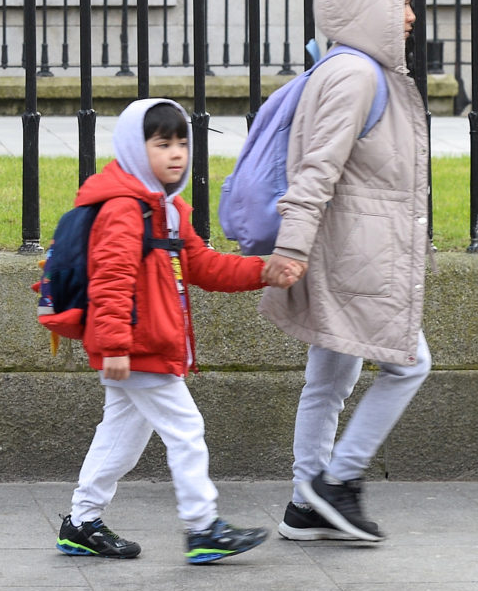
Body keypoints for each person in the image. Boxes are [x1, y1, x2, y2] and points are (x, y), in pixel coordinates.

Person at [58, 97, 299, 564]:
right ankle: (202, 527)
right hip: (138, 345)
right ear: (135, 147)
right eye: (162, 143)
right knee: (186, 428)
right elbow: (110, 280)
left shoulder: (167, 208)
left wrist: (263, 270)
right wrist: (115, 345)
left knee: (121, 438)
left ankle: (82, 523)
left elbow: (203, 266)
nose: (176, 154)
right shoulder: (124, 209)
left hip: (141, 345)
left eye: (182, 143)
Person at [261, 0, 431, 545]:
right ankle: (338, 481)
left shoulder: (347, 68)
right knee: (410, 364)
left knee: (330, 377)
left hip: (346, 247)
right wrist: (292, 245)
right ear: (370, 6)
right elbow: (317, 168)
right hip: (354, 255)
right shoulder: (356, 75)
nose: (410, 15)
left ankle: (305, 505)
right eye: (402, 2)